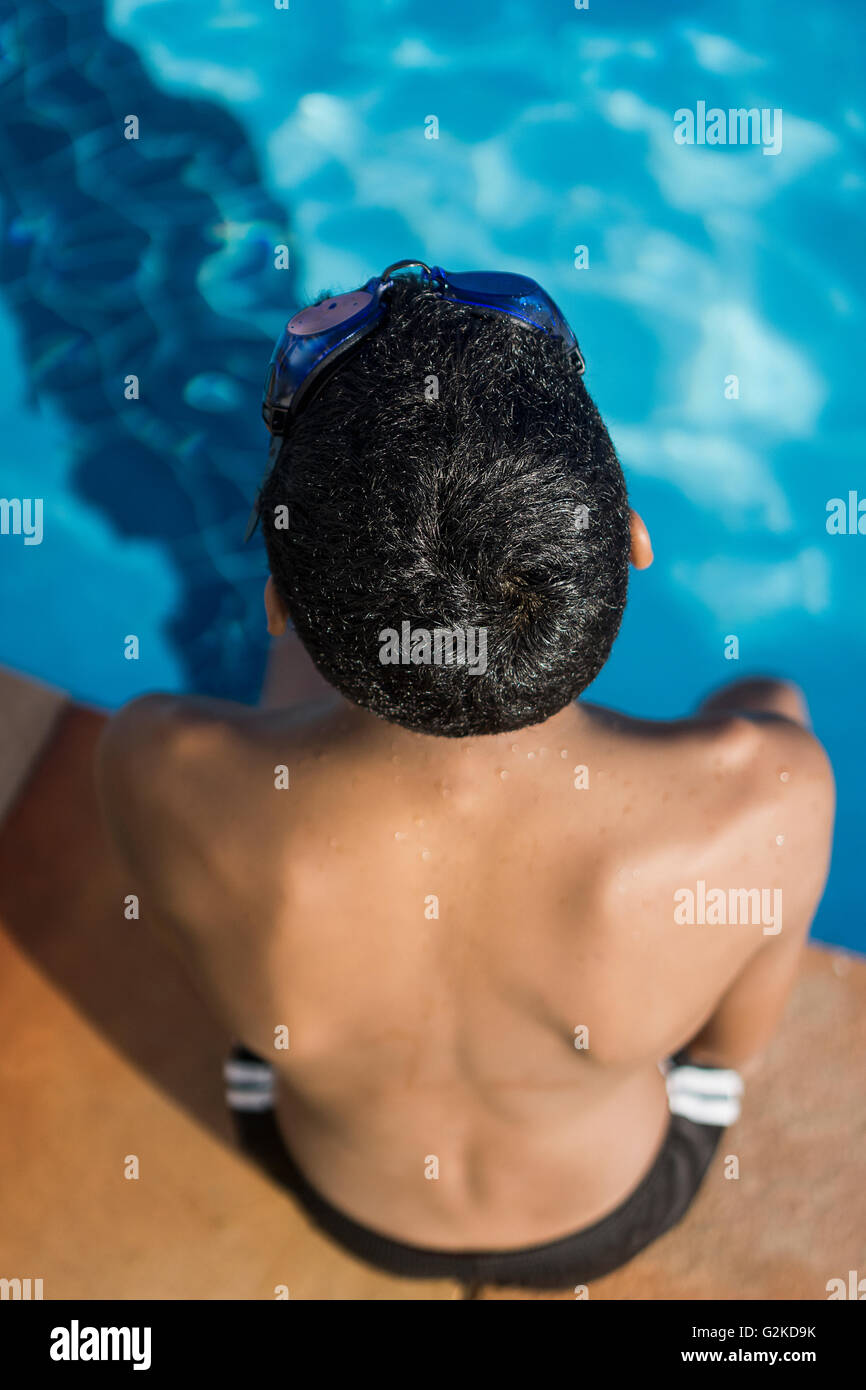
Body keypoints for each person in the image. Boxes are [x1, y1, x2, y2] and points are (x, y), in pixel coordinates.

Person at [97, 264, 834, 1292]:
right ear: (629, 544)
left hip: (334, 1187)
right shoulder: (772, 792)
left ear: (272, 597)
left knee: (296, 695)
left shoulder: (154, 756)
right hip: (615, 1197)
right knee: (767, 696)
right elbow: (724, 1053)